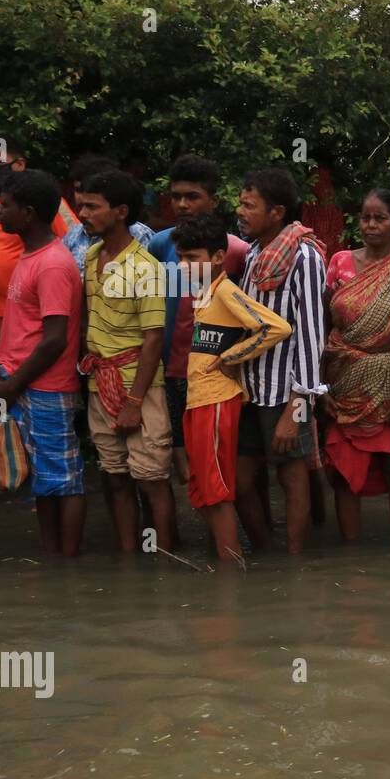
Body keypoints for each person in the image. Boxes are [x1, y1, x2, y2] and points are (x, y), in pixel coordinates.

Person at [173, 215, 291, 565]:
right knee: (202, 489)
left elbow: (276, 327)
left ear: (217, 257)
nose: (183, 265)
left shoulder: (225, 290)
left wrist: (231, 357)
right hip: (199, 400)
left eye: (191, 257)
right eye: (180, 257)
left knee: (217, 490)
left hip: (217, 401)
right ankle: (230, 569)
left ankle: (230, 572)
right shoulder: (204, 293)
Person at [77, 169, 177, 552]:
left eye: (91, 206)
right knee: (115, 477)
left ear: (120, 211)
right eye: (82, 204)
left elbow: (153, 339)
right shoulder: (91, 255)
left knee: (151, 479)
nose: (83, 213)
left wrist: (134, 402)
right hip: (99, 384)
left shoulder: (146, 267)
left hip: (140, 387)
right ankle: (130, 560)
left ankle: (163, 562)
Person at [320, 189, 390, 542]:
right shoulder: (338, 262)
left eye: (380, 218)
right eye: (365, 217)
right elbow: (322, 328)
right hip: (342, 383)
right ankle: (350, 556)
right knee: (343, 475)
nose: (370, 225)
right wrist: (320, 387)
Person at [0, 169, 86, 556]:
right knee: (42, 480)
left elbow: (54, 340)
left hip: (44, 386)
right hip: (23, 381)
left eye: (6, 205)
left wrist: (12, 386)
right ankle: (53, 559)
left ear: (27, 213)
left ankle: (68, 563)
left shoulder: (51, 264)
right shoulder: (31, 256)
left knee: (63, 478)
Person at [234, 167, 327, 554]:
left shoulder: (302, 258)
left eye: (248, 205)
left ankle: (294, 563)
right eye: (240, 204)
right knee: (240, 482)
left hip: (287, 390)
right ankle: (265, 556)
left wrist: (298, 405)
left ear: (276, 212)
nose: (240, 211)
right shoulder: (256, 253)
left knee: (291, 475)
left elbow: (311, 334)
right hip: (250, 388)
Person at [148, 155, 250, 483]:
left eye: (192, 197)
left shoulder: (236, 251)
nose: (181, 204)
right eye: (176, 196)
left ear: (213, 201)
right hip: (170, 367)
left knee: (222, 460)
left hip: (214, 371)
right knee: (180, 454)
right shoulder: (160, 243)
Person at [0, 136, 77, 339]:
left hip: (34, 316)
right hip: (7, 311)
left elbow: (75, 243)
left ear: (19, 164)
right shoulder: (2, 205)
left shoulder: (44, 200)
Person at [63, 155, 154, 275]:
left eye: (92, 205)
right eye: (77, 190)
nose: (79, 198)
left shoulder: (140, 236)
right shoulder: (73, 236)